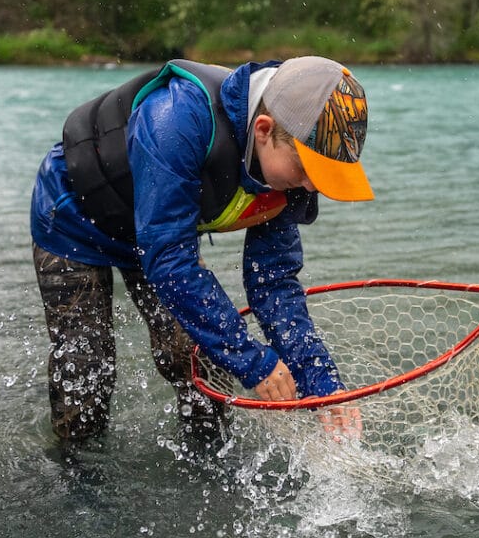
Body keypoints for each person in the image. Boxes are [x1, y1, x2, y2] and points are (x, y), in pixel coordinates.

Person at [30, 56, 371, 442]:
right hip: (76, 219)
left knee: (200, 361)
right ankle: (77, 469)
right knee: (86, 367)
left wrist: (321, 382)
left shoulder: (290, 173)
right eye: (307, 169)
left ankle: (207, 457)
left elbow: (273, 284)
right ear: (263, 130)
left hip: (164, 232)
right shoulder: (178, 117)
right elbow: (170, 260)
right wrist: (253, 362)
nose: (311, 186)